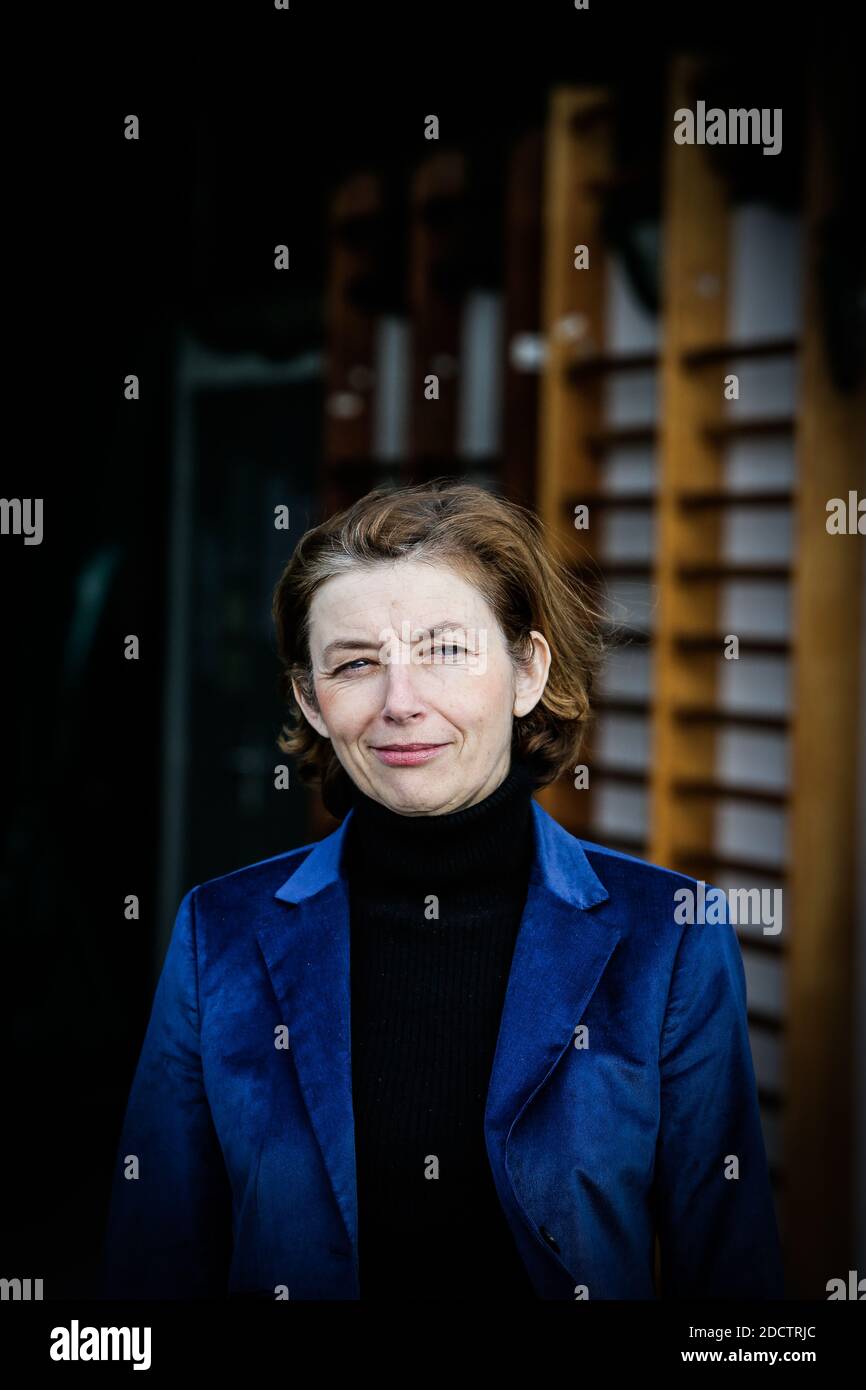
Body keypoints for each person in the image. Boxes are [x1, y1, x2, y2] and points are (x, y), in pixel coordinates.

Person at [100, 479, 784, 1301]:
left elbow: (737, 1299)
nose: (400, 703)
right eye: (355, 664)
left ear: (527, 671)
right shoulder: (221, 931)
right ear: (310, 700)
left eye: (445, 651)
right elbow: (149, 1274)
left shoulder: (670, 937)